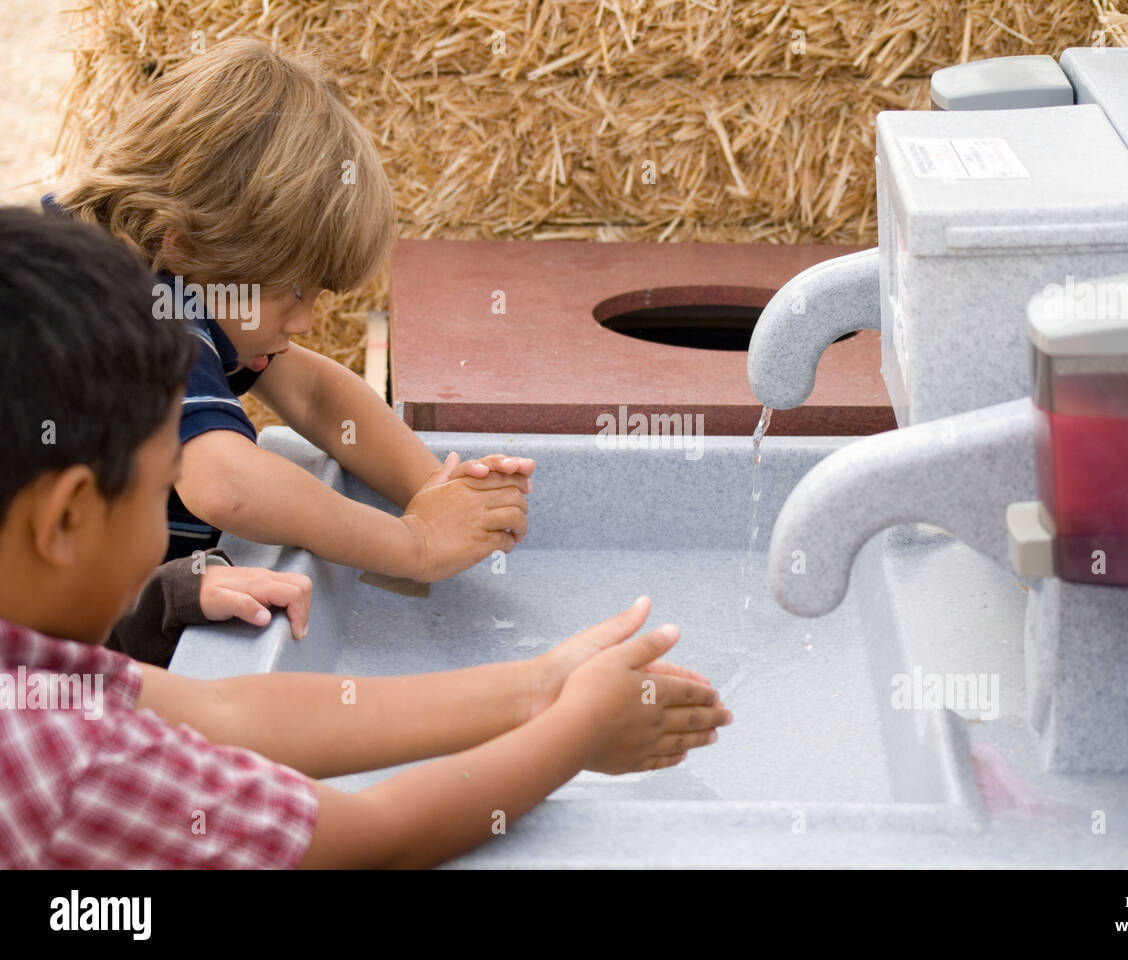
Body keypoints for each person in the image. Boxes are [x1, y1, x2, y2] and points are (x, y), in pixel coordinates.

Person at [0, 207, 730, 868]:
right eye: (163, 477)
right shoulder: (64, 765)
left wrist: (541, 686)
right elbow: (371, 839)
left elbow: (228, 713)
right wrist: (577, 733)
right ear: (66, 519)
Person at [50, 36, 533, 584]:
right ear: (183, 242)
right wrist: (414, 543)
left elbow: (313, 393)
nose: (304, 322)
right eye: (292, 290)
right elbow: (225, 486)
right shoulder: (137, 311)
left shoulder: (165, 269)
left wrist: (435, 491)